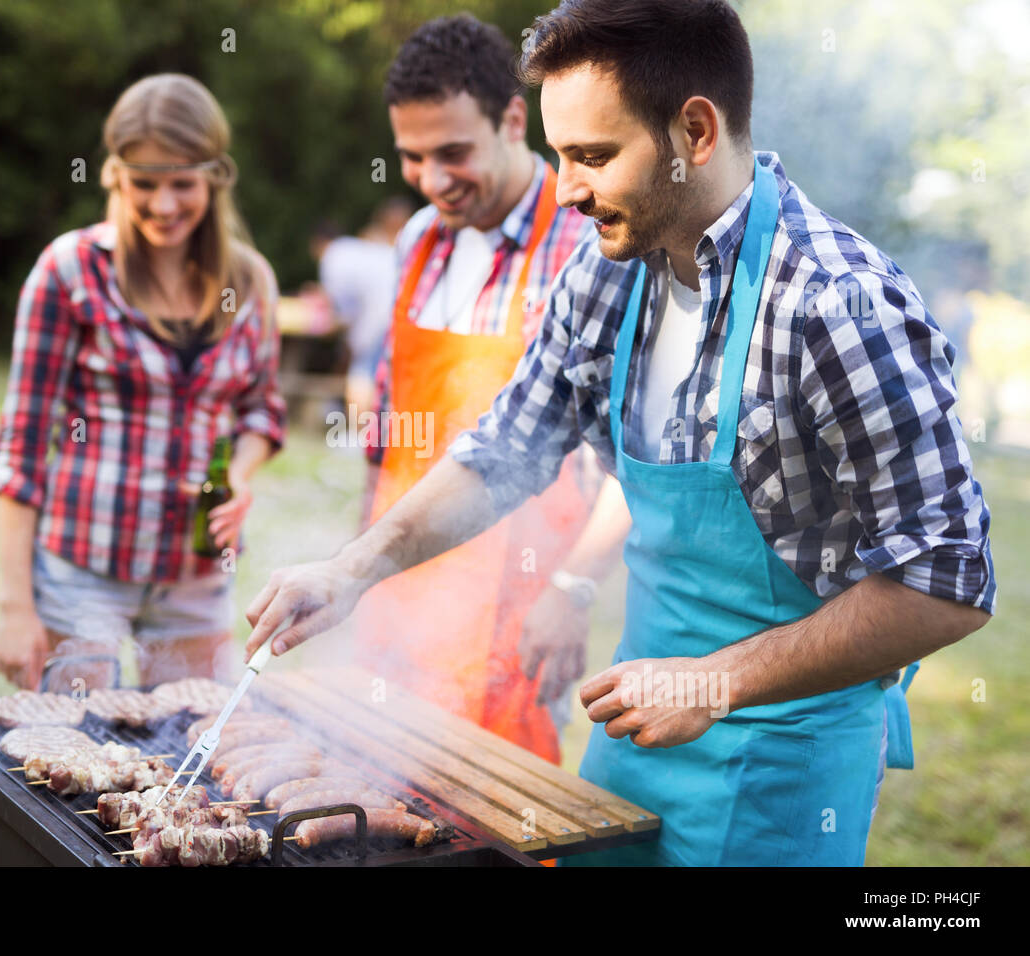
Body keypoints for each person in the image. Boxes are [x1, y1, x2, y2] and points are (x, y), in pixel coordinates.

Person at [244, 0, 995, 867]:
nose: (564, 188)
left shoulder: (837, 305)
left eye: (593, 157)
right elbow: (502, 454)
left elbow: (947, 580)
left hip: (783, 758)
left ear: (696, 132)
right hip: (631, 732)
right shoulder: (606, 273)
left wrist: (716, 681)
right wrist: (354, 568)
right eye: (561, 156)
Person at [350, 13, 611, 764]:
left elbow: (627, 450)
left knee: (498, 821)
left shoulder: (584, 238)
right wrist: (355, 560)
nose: (433, 181)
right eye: (412, 157)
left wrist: (572, 585)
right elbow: (389, 419)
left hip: (518, 599)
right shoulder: (417, 241)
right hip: (401, 583)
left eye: (453, 152)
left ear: (512, 119)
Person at [0, 74, 285, 693]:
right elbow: (20, 448)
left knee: (189, 757)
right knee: (74, 757)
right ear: (114, 176)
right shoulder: (68, 272)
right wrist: (16, 608)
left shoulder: (250, 282)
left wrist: (240, 477)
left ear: (215, 176)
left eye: (183, 183)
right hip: (81, 571)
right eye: (144, 183)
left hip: (197, 576)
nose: (164, 204)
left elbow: (263, 412)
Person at [308, 196, 413, 411]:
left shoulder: (332, 258)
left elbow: (342, 314)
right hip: (403, 304)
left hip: (382, 310)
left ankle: (361, 435)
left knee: (362, 372)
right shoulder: (353, 249)